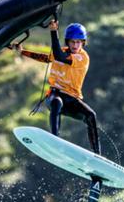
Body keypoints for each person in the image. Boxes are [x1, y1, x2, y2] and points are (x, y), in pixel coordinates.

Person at [13, 20, 101, 154]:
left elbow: (59, 56)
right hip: (54, 96)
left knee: (91, 115)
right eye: (72, 41)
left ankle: (97, 155)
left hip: (72, 100)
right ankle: (55, 140)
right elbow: (46, 58)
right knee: (56, 102)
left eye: (79, 42)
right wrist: (23, 52)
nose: (75, 45)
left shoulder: (82, 57)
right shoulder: (62, 51)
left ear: (83, 43)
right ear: (68, 41)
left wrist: (53, 31)